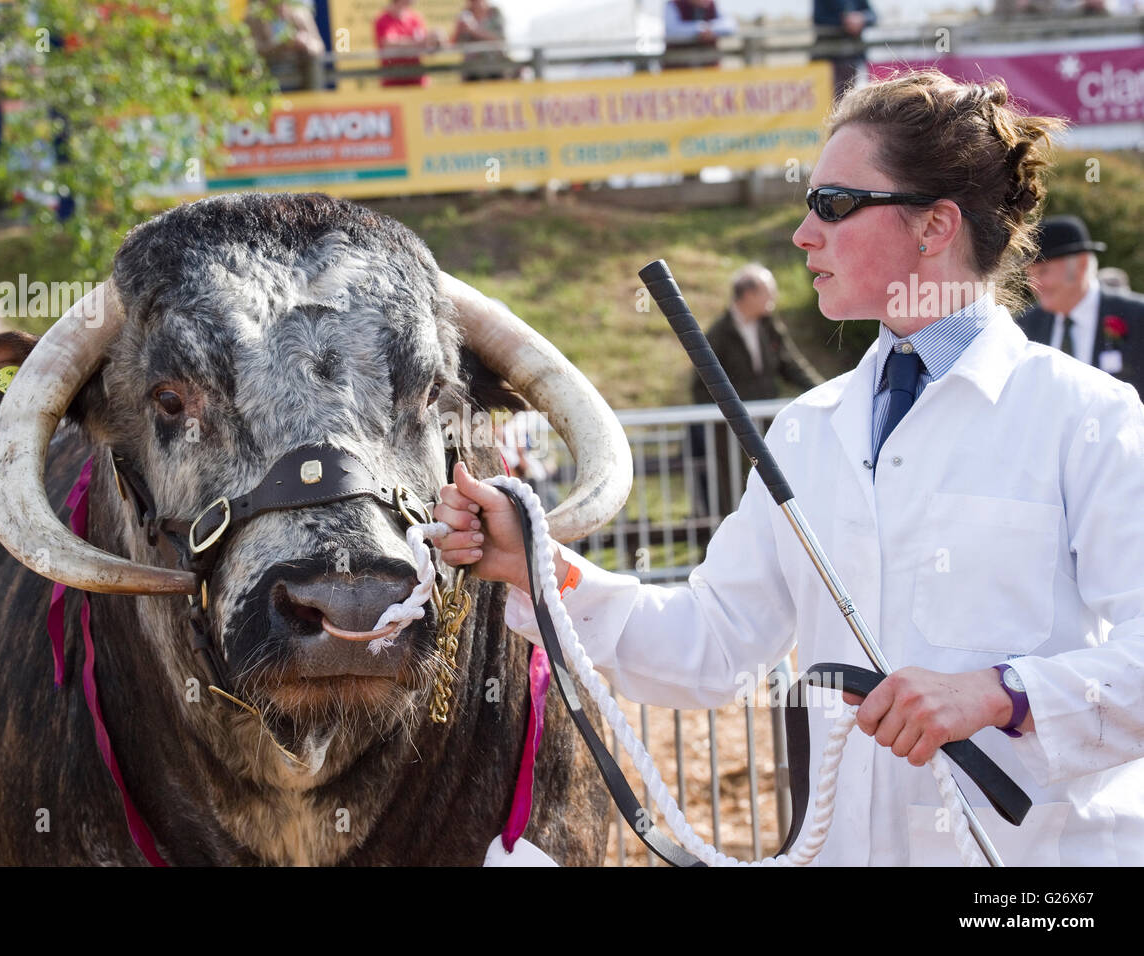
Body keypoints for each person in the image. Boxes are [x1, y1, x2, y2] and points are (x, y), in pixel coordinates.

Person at [431, 70, 1144, 865]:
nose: (805, 234)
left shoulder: (1090, 418)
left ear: (934, 226)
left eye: (834, 205)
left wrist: (998, 694)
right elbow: (712, 643)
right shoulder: (807, 429)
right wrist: (541, 569)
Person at [690, 263, 823, 517]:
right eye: (768, 291)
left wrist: (826, 390)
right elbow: (701, 386)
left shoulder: (768, 326)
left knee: (773, 485)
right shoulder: (719, 334)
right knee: (736, 489)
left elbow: (791, 365)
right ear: (748, 295)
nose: (773, 298)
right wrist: (725, 421)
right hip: (731, 433)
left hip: (767, 425)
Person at [1016, 215, 1144, 397]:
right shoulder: (1025, 327)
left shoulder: (1138, 317)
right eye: (1029, 275)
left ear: (1081, 265)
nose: (1034, 284)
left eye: (1043, 271)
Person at [244, 0, 326, 91]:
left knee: (313, 59)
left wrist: (306, 43)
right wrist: (279, 46)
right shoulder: (253, 18)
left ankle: (313, 98)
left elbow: (319, 46)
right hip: (267, 65)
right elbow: (251, 50)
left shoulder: (301, 14)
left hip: (297, 64)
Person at [812, 0, 877, 101]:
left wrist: (862, 19)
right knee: (832, 101)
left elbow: (873, 15)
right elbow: (819, 18)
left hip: (854, 59)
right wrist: (845, 22)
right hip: (829, 61)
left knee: (856, 99)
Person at [375, 0, 442, 88]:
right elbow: (388, 43)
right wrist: (416, 43)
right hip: (393, 80)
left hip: (417, 79)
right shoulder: (383, 19)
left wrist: (435, 41)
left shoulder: (415, 18)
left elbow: (425, 43)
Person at [663, 0, 737, 69]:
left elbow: (730, 25)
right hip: (678, 66)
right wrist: (699, 29)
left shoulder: (712, 4)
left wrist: (710, 28)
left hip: (709, 65)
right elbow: (672, 30)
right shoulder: (674, 4)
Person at [451, 0, 511, 82]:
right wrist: (458, 29)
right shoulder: (464, 15)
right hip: (471, 71)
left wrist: (474, 30)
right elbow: (454, 44)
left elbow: (500, 40)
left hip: (495, 68)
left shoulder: (495, 13)